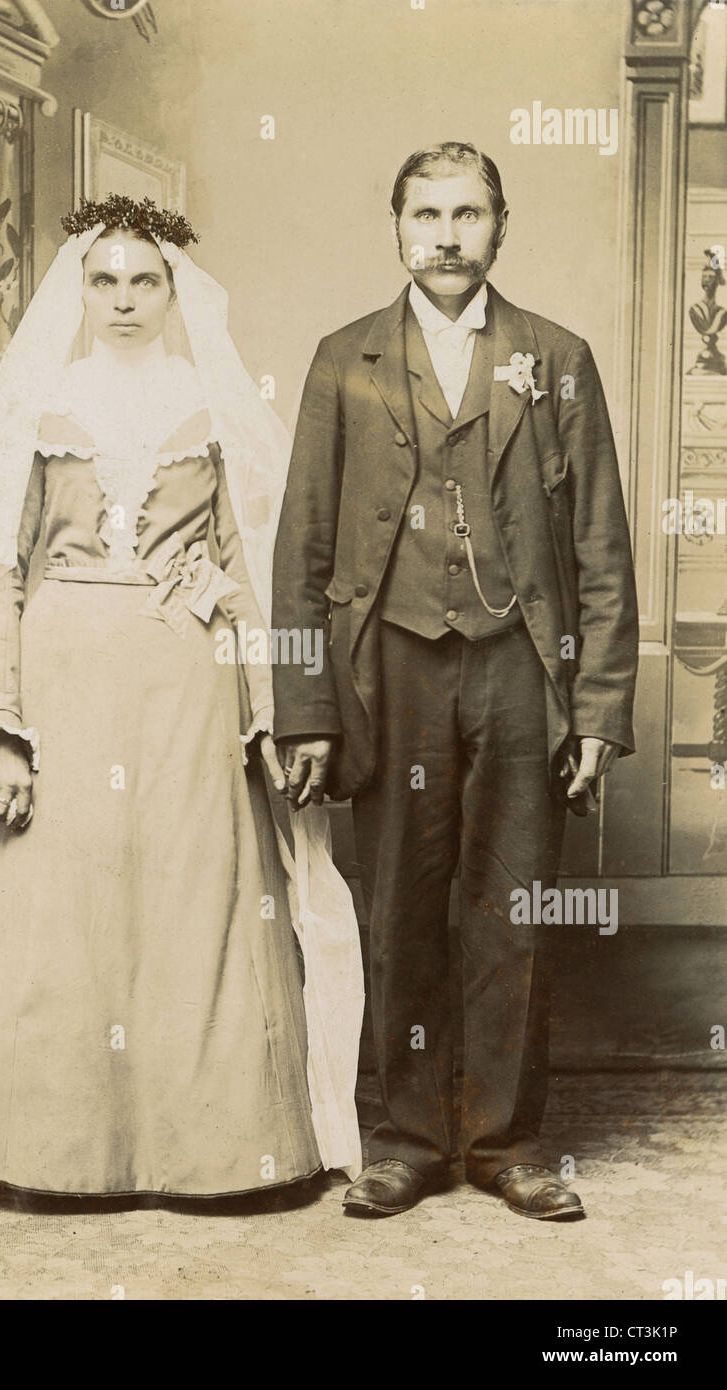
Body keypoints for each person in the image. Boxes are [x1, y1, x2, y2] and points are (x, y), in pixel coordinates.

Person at [0, 194, 364, 1197]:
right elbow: (3, 577)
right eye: (102, 279)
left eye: (142, 280)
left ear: (172, 292)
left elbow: (245, 568)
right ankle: (54, 1157)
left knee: (199, 906)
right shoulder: (39, 409)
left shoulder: (213, 410)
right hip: (63, 686)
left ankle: (211, 1155)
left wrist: (270, 709)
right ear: (80, 290)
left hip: (186, 692)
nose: (122, 298)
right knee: (65, 912)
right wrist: (1, 729)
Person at [272, 143, 639, 1220]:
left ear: (498, 224)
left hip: (522, 669)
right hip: (383, 668)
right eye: (424, 214)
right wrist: (302, 708)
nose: (444, 235)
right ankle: (401, 1136)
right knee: (397, 909)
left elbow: (602, 551)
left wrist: (601, 708)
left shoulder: (556, 358)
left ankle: (505, 1138)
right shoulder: (343, 359)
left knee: (512, 906)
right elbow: (299, 547)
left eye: (466, 213)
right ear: (393, 225)